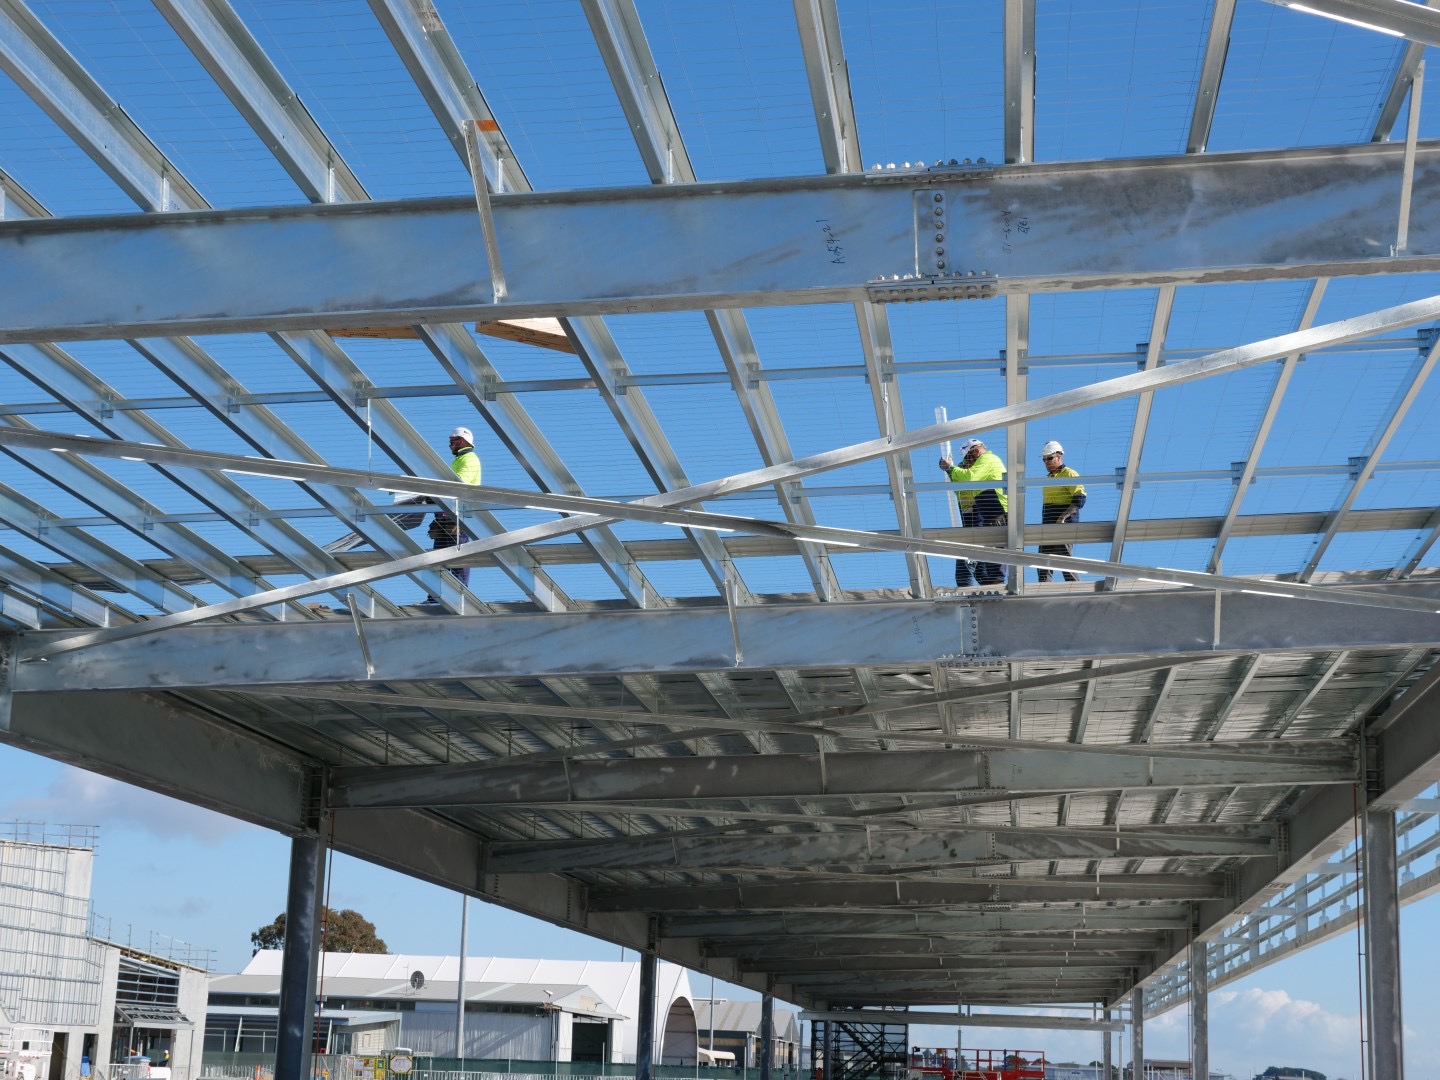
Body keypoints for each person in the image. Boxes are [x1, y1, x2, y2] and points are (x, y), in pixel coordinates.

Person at [938, 437, 1008, 587]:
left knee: (990, 555)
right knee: (985, 557)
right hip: (987, 514)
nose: (967, 465)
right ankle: (988, 585)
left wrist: (951, 468)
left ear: (975, 451)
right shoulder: (979, 468)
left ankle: (992, 586)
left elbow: (969, 477)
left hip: (994, 513)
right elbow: (962, 487)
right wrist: (950, 471)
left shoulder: (987, 460)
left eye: (967, 460)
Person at [423, 425, 482, 602]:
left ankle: (458, 596)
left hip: (457, 516)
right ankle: (435, 597)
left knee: (457, 556)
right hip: (445, 515)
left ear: (463, 441)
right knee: (438, 558)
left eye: (453, 442)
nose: (450, 446)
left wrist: (435, 491)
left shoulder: (469, 459)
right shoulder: (459, 460)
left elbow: (459, 483)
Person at [1036, 440, 1086, 582]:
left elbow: (1080, 499)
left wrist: (1063, 517)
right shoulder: (1049, 479)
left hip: (1064, 524)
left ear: (1059, 456)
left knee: (1064, 559)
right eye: (1044, 459)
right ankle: (1043, 591)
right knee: (1043, 561)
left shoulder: (1069, 473)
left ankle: (1075, 590)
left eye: (1050, 458)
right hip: (1048, 524)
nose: (1047, 462)